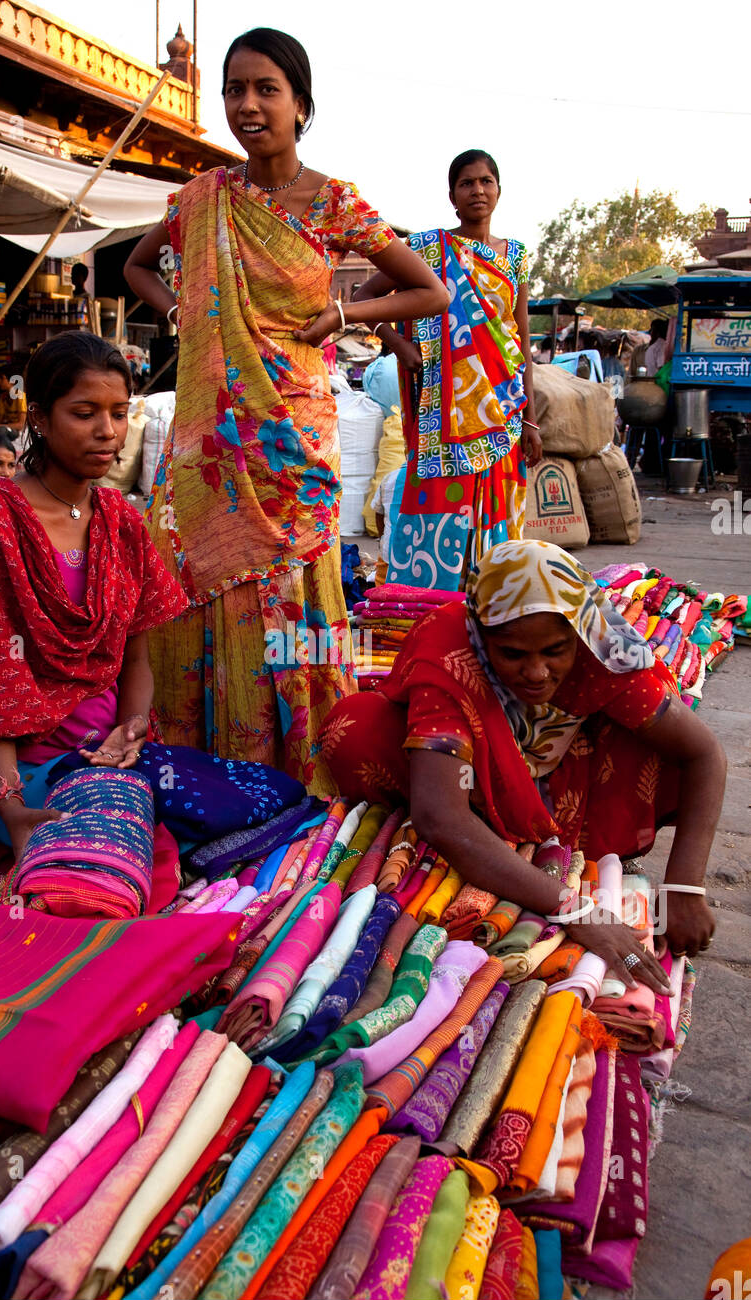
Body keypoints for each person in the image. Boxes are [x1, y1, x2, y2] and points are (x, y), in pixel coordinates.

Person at [124, 26, 448, 794]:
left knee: (288, 586)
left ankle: (298, 753)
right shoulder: (205, 198)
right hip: (210, 436)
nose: (247, 104)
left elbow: (429, 290)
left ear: (301, 105)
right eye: (234, 89)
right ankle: (204, 751)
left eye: (266, 89)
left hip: (292, 434)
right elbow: (140, 267)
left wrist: (342, 317)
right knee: (193, 572)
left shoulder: (333, 202)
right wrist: (184, 314)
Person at [320, 538, 725, 971]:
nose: (536, 673)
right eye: (512, 654)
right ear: (481, 635)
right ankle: (492, 846)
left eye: (555, 651)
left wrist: (686, 887)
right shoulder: (450, 646)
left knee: (656, 734)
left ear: (580, 632)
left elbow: (703, 754)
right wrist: (575, 909)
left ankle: (535, 846)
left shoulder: (602, 650)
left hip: (570, 788)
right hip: (463, 781)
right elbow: (440, 815)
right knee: (356, 727)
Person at [0, 331, 187, 861]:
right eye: (84, 413)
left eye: (119, 412)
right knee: (112, 857)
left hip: (109, 756)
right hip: (22, 771)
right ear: (38, 417)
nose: (108, 432)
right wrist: (10, 804)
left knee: (253, 800)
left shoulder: (120, 520)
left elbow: (136, 658)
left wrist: (130, 733)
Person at [353, 148, 541, 590]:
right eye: (466, 183)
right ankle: (425, 604)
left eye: (486, 181)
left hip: (504, 409)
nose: (478, 190)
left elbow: (522, 341)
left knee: (497, 519)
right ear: (452, 197)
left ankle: (494, 603)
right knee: (440, 512)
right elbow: (361, 298)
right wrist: (396, 342)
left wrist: (531, 417)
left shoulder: (515, 257)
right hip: (442, 419)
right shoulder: (425, 249)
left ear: (499, 190)